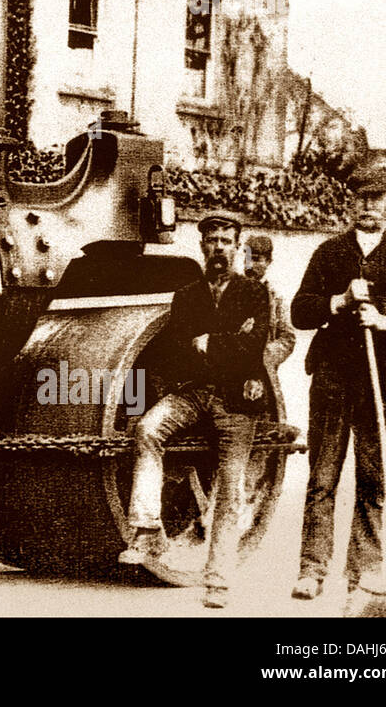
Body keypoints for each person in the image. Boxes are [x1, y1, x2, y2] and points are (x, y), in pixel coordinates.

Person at [290, 163, 386, 601]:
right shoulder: (330, 253)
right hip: (333, 377)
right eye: (363, 199)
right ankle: (312, 569)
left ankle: (365, 568)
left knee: (373, 477)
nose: (369, 207)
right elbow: (300, 312)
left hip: (385, 380)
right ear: (353, 203)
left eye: (377, 200)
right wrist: (338, 301)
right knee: (323, 476)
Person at [119, 213, 271, 609]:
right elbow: (174, 353)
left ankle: (218, 579)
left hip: (237, 402)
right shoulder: (186, 295)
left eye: (226, 241)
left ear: (237, 247)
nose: (218, 247)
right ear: (201, 245)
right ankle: (148, 530)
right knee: (148, 429)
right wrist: (227, 343)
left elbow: (253, 349)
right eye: (212, 240)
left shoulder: (255, 293)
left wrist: (208, 342)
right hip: (193, 394)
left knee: (230, 486)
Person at [244, 233, 296, 370]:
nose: (249, 265)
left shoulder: (275, 300)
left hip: (262, 372)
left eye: (256, 259)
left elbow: (288, 339)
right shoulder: (232, 291)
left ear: (268, 262)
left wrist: (262, 355)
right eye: (247, 259)